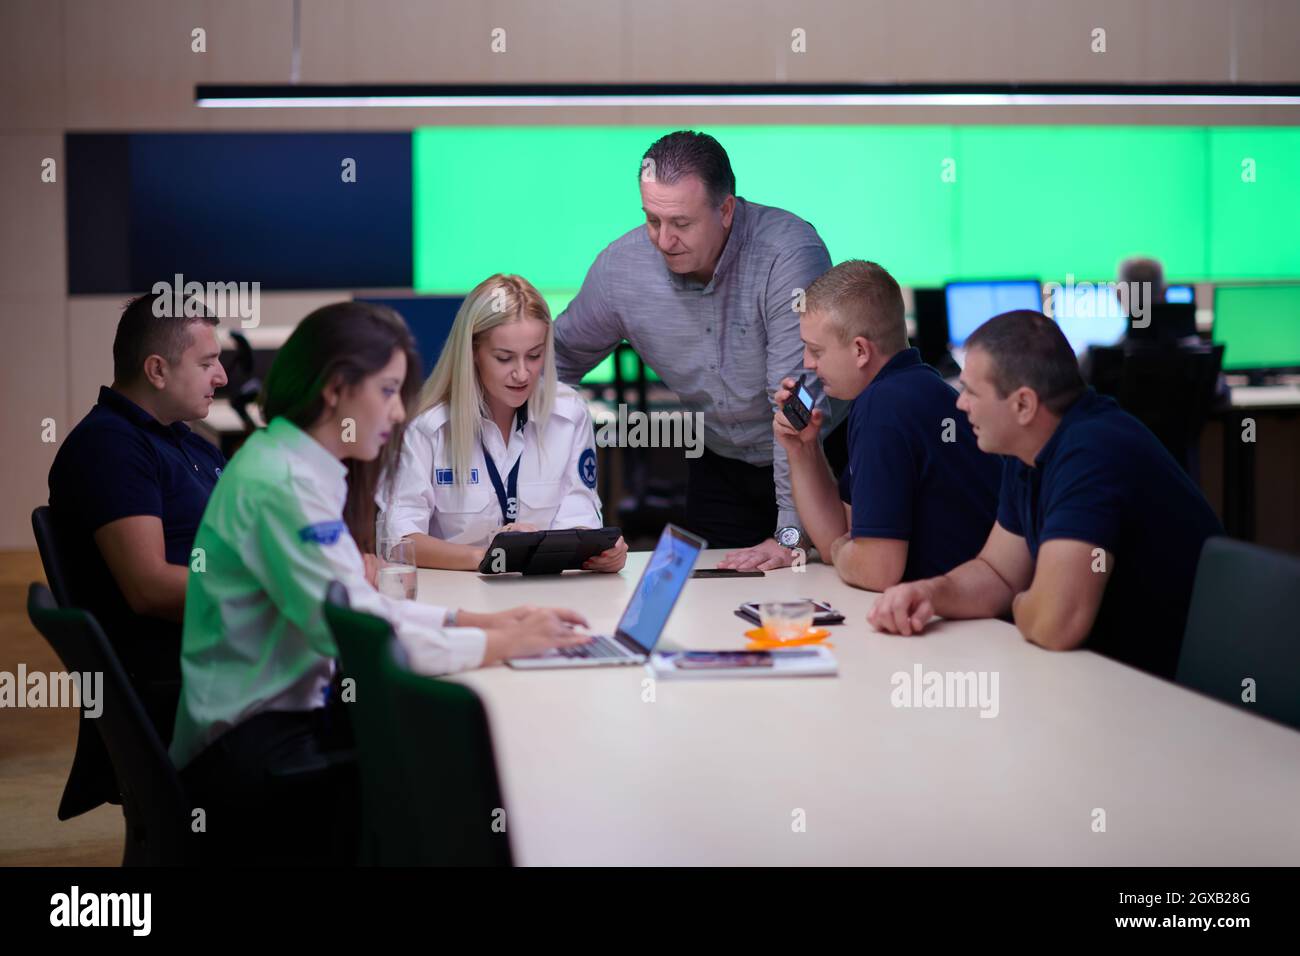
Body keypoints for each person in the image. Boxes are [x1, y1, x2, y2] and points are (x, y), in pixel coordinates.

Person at [171, 301, 591, 864]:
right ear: (336, 391)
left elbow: (361, 607)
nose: (398, 414)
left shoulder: (289, 464)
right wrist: (499, 643)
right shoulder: (284, 486)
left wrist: (479, 621)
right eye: (388, 391)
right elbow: (360, 636)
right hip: (252, 755)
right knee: (468, 776)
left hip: (269, 726)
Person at [869, 310, 1224, 680]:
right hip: (1116, 677)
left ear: (1023, 405)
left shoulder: (1092, 454)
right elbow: (998, 575)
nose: (960, 403)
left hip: (1185, 694)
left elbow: (1056, 623)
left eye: (971, 391)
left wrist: (1024, 601)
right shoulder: (1028, 451)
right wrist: (929, 594)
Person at [552, 129, 845, 566]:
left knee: (818, 598)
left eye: (682, 224)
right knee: (714, 599)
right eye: (653, 220)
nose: (664, 240)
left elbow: (795, 407)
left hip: (822, 457)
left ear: (725, 210)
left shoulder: (787, 254)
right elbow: (556, 362)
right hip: (720, 464)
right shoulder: (622, 270)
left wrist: (790, 537)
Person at [47, 291, 228, 743]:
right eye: (207, 363)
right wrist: (275, 590)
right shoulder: (110, 448)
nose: (222, 377)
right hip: (185, 683)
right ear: (157, 370)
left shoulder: (187, 443)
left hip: (223, 657)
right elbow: (150, 588)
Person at [772, 261, 999, 590]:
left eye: (816, 350)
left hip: (961, 625)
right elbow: (838, 533)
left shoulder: (884, 406)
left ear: (861, 350)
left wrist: (841, 549)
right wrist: (803, 449)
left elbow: (874, 569)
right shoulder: (917, 388)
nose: (808, 362)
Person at [379, 274, 627, 572]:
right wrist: (488, 556)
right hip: (456, 597)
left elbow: (580, 517)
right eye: (504, 358)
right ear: (473, 353)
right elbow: (399, 540)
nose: (522, 374)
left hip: (548, 595)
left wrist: (600, 553)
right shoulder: (425, 426)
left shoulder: (569, 414)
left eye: (534, 356)